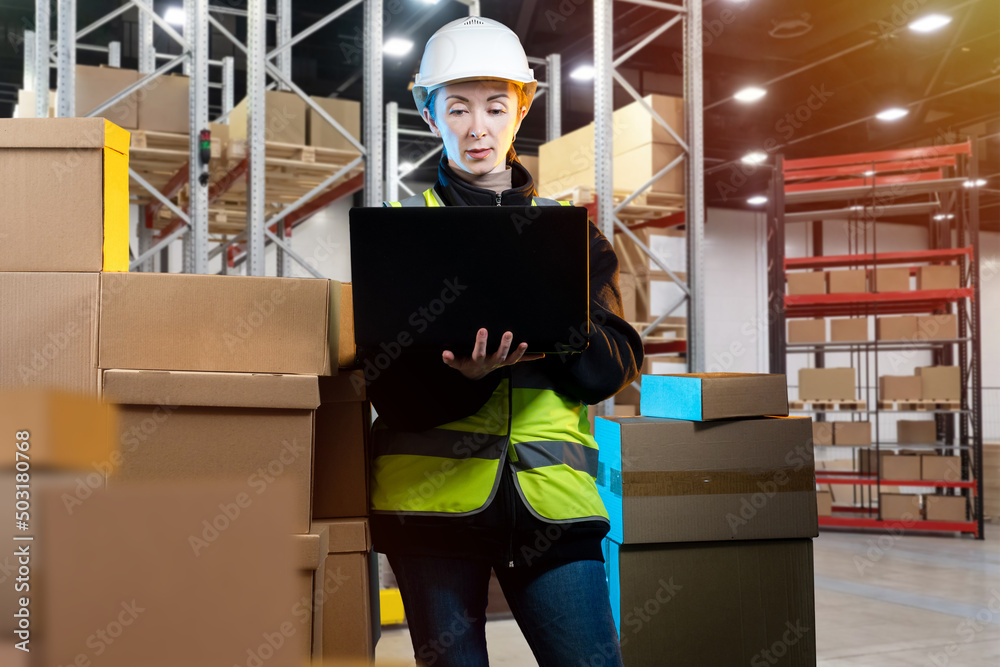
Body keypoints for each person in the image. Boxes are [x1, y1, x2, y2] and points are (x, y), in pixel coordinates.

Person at [364, 16, 643, 667]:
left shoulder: (573, 237)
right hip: (430, 508)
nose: (477, 128)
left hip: (554, 510)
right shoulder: (400, 235)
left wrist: (560, 327)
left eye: (495, 106)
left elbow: (612, 367)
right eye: (457, 108)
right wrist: (465, 378)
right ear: (430, 114)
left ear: (522, 108)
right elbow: (386, 387)